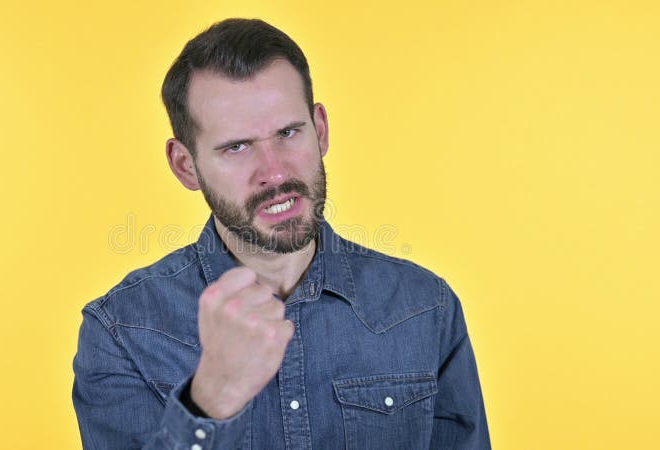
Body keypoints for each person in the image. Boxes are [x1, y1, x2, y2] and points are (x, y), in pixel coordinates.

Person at [72, 18, 490, 450]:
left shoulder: (425, 308)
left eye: (288, 133)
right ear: (186, 165)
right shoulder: (120, 331)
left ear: (320, 129)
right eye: (237, 146)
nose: (274, 173)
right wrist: (208, 405)